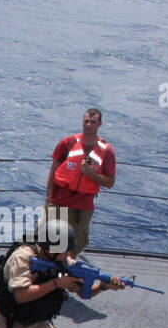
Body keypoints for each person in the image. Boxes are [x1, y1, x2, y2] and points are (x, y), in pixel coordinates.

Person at [44, 107, 115, 258]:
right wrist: (49, 197)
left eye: (93, 122)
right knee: (49, 241)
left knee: (76, 245)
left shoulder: (107, 151)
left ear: (99, 124)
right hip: (59, 201)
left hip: (83, 207)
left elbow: (109, 182)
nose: (89, 124)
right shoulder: (67, 143)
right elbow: (53, 171)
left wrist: (91, 174)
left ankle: (66, 275)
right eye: (86, 121)